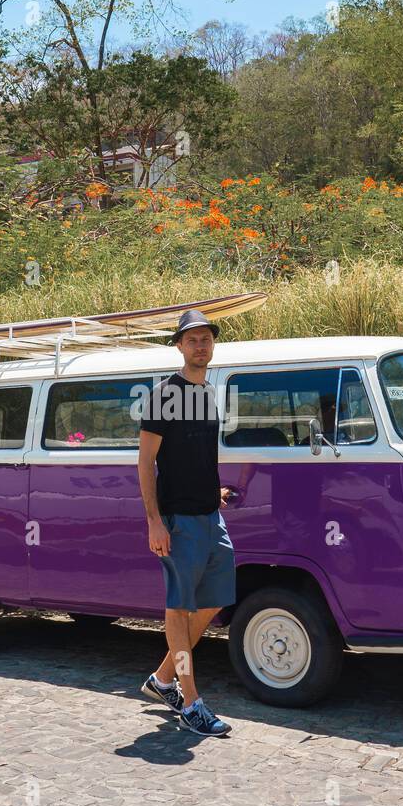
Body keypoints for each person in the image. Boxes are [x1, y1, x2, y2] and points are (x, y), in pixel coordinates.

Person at [137, 308, 236, 737]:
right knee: (180, 608)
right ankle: (190, 700)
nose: (200, 345)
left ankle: (162, 679)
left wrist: (212, 492)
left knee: (215, 599)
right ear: (179, 345)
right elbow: (145, 462)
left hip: (210, 517)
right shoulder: (164, 395)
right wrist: (154, 521)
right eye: (192, 339)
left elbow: (196, 455)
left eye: (206, 339)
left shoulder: (209, 394)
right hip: (177, 521)